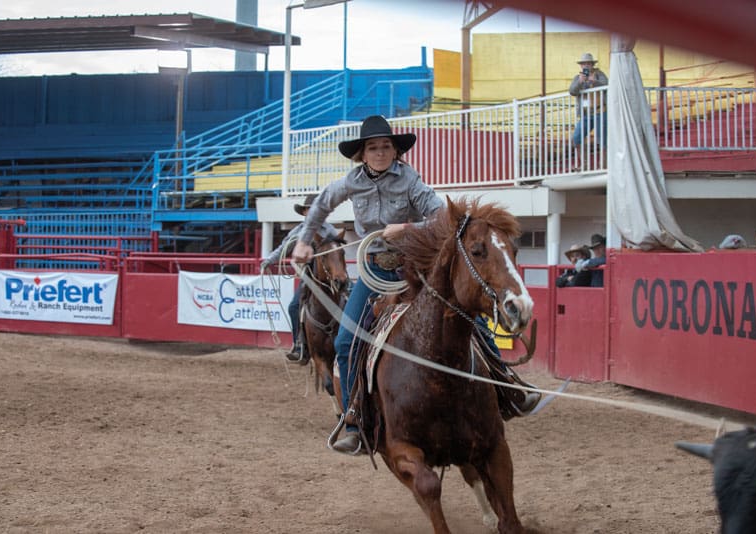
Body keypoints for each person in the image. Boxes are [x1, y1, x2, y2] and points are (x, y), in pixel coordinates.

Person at [291, 115, 539, 454]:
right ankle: (354, 421)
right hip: (374, 271)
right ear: (362, 154)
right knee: (346, 341)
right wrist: (304, 241)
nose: (380, 152)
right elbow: (321, 205)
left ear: (396, 151)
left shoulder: (409, 179)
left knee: (466, 317)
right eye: (373, 148)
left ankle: (508, 387)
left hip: (412, 267)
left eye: (386, 146)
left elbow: (440, 217)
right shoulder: (351, 182)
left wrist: (408, 228)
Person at [260, 193, 339, 364]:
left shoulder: (330, 230)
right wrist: (268, 261)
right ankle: (300, 345)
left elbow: (338, 250)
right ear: (304, 212)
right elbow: (284, 248)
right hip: (310, 277)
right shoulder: (298, 232)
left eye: (315, 209)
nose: (312, 212)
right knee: (294, 307)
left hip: (332, 276)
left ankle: (354, 342)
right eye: (309, 209)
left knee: (349, 298)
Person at [568, 52, 608, 168]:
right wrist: (580, 82)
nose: (586, 66)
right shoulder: (578, 77)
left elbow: (607, 85)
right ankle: (584, 164)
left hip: (601, 111)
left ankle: (604, 164)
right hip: (586, 113)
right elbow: (572, 91)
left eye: (588, 64)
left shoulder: (599, 74)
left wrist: (594, 81)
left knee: (602, 139)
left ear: (592, 65)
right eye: (583, 64)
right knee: (577, 138)